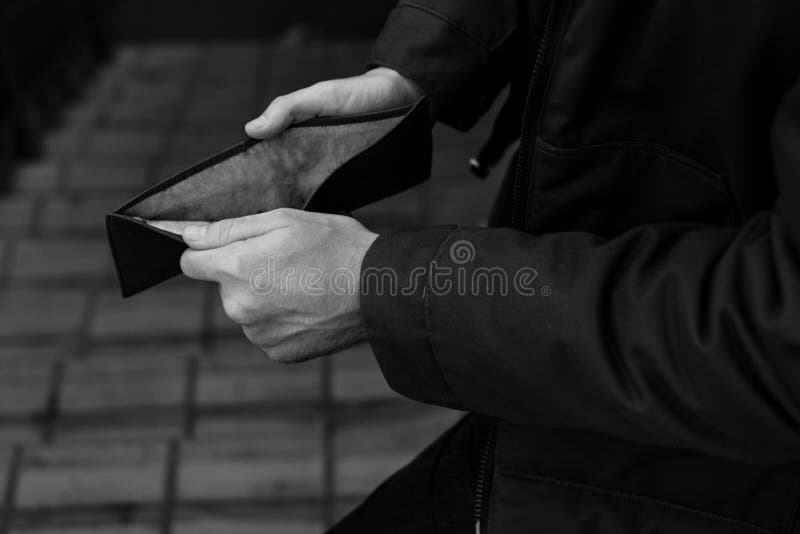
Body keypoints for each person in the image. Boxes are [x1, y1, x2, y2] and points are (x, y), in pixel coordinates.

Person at [154, 1, 800, 532]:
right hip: (563, 394)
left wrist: (380, 287)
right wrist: (421, 62)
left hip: (711, 471)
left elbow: (780, 331)